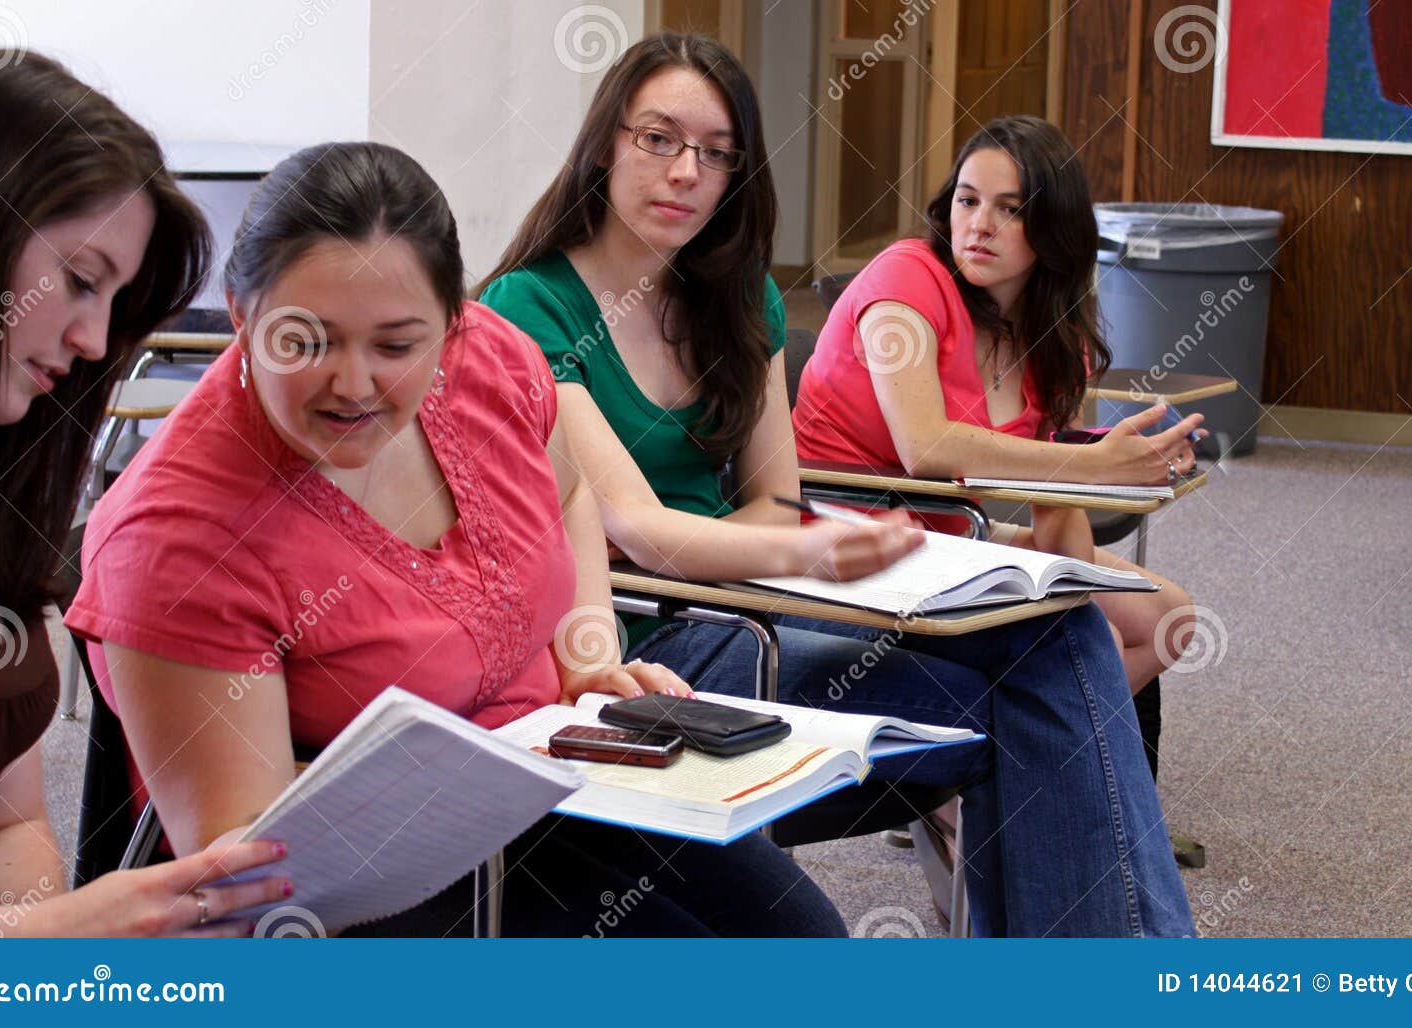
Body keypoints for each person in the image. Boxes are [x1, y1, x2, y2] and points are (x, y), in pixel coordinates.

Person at [480, 32, 1194, 937]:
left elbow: (775, 497)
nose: (686, 171)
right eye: (658, 139)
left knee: (1062, 637)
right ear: (605, 142)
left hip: (758, 592)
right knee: (1035, 715)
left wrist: (777, 549)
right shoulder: (530, 305)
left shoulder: (740, 301)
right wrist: (802, 549)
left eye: (715, 153)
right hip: (655, 634)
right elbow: (641, 530)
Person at [65, 140, 846, 938]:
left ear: (452, 323)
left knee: (808, 939)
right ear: (239, 311)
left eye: (398, 345)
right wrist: (472, 787)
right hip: (365, 881)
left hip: (547, 778)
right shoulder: (178, 535)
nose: (355, 383)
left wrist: (584, 657)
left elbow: (570, 492)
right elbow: (249, 857)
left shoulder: (490, 361)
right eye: (305, 342)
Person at [0, 51, 291, 937]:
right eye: (81, 279)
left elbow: (1, 827)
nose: (96, 339)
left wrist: (49, 946)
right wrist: (59, 936)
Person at [791, 115, 1202, 693]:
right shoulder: (905, 278)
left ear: (1053, 227)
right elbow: (926, 447)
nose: (979, 225)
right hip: (841, 533)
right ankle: (1019, 756)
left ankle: (1016, 760)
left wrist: (1122, 472)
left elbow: (1058, 515)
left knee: (1169, 619)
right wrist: (1096, 466)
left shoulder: (1056, 341)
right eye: (967, 200)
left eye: (1010, 209)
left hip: (947, 534)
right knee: (1088, 651)